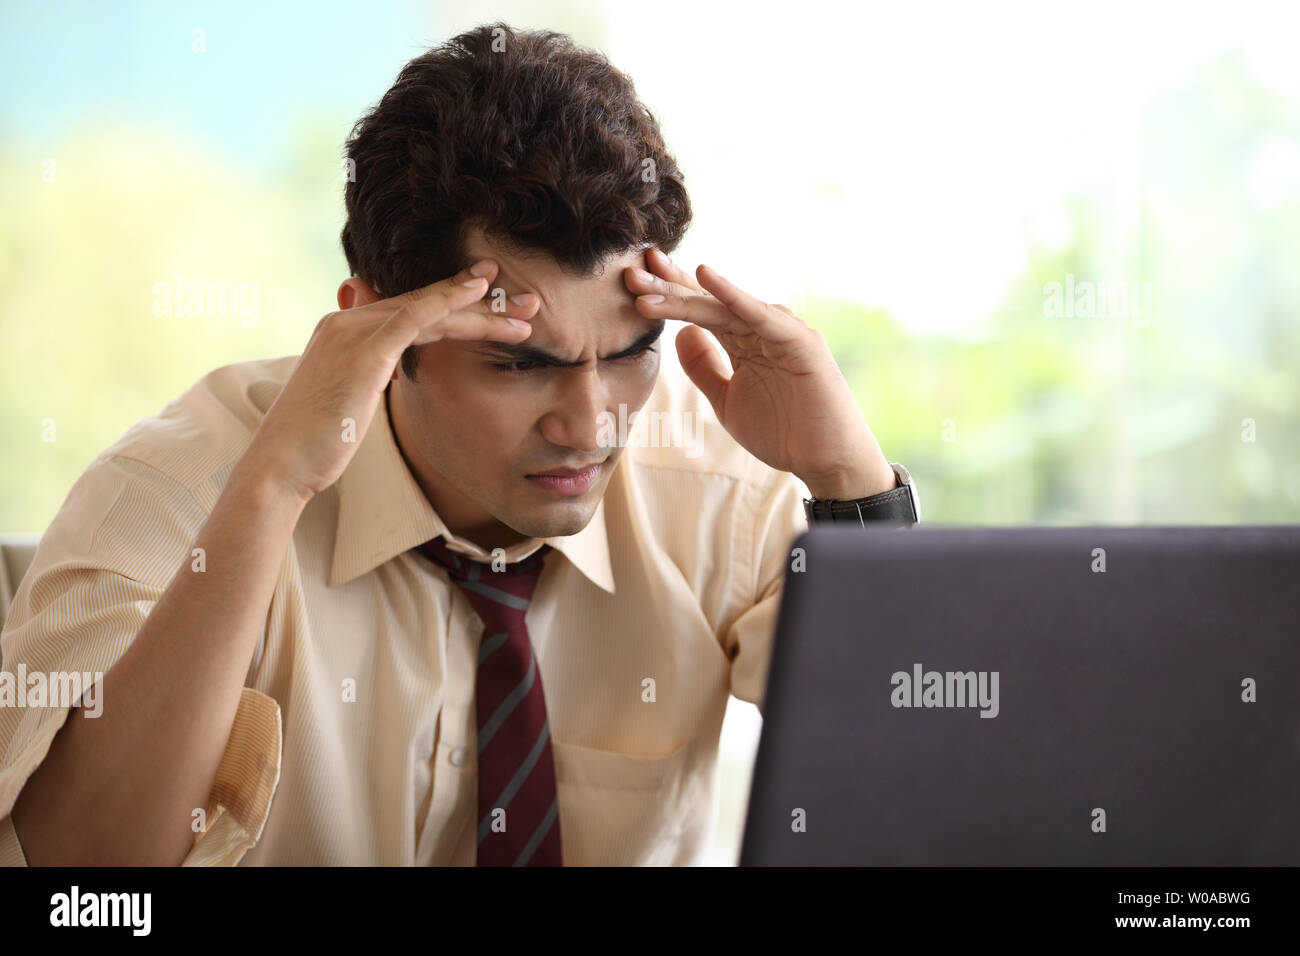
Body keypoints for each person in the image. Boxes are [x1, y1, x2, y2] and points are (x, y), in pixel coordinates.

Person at [0, 21, 915, 866]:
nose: (590, 423)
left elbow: (913, 779)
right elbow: (82, 891)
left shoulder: (717, 487)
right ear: (372, 332)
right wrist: (271, 490)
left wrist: (850, 486)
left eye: (632, 352)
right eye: (518, 366)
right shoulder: (171, 490)